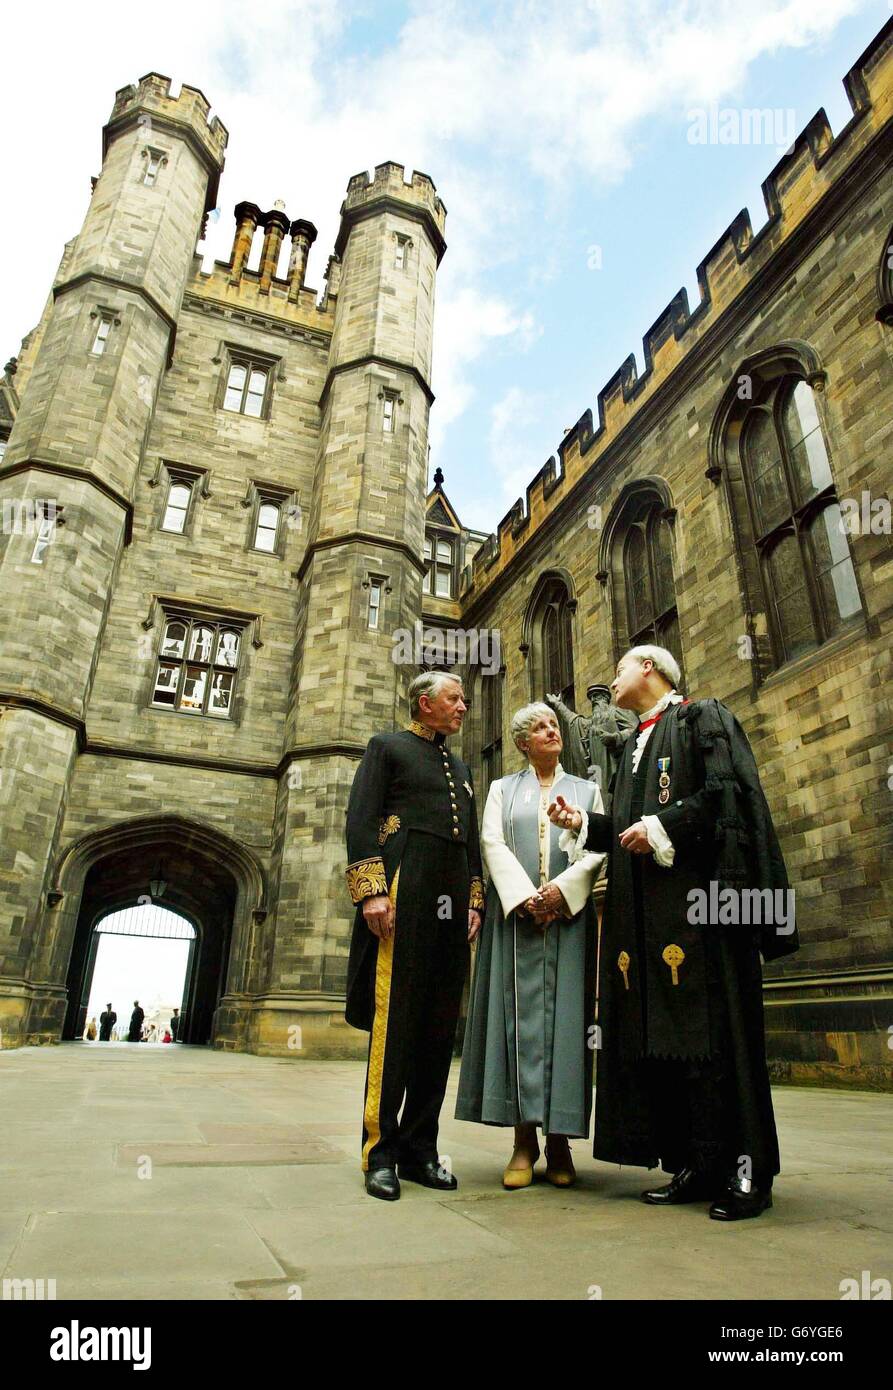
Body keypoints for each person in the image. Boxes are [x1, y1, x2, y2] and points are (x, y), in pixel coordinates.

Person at [548, 645, 797, 1221]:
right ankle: (699, 1162)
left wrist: (661, 824)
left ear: (651, 670)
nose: (611, 678)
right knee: (674, 1048)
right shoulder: (635, 748)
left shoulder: (702, 717)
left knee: (720, 1042)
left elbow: (725, 797)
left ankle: (746, 1172)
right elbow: (631, 829)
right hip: (649, 924)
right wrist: (584, 823)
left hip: (704, 918)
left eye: (620, 668)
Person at [344, 671, 484, 1201]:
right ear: (425, 703)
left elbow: (468, 840)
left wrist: (475, 899)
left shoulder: (462, 767)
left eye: (465, 700)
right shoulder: (387, 747)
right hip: (405, 888)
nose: (463, 707)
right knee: (396, 1021)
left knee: (438, 1026)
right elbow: (360, 820)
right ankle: (378, 1153)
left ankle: (422, 1149)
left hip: (450, 895)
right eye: (455, 699)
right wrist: (372, 890)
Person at [456, 702, 605, 1188]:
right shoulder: (503, 788)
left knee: (565, 1026)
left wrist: (560, 893)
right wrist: (523, 898)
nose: (551, 731)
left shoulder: (586, 790)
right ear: (523, 742)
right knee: (516, 1023)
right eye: (540, 727)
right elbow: (491, 843)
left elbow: (598, 846)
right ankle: (523, 1141)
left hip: (566, 919)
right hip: (517, 921)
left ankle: (560, 1143)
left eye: (554, 725)